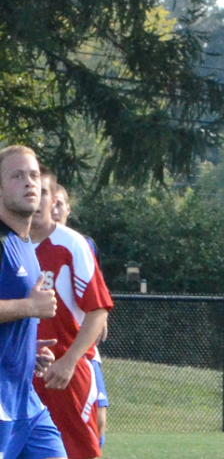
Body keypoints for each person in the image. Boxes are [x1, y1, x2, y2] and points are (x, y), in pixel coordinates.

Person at [30, 169, 113, 459]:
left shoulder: (71, 244)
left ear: (54, 200)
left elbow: (98, 308)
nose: (35, 199)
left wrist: (69, 360)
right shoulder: (9, 245)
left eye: (42, 192)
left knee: (76, 449)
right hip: (15, 373)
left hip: (63, 376)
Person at [0, 145, 65, 459]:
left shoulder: (24, 242)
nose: (30, 183)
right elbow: (27, 304)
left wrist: (27, 350)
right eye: (17, 176)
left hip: (26, 402)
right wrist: (30, 308)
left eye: (34, 175)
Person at [50, 185, 109, 448]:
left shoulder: (80, 244)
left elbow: (95, 293)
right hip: (45, 351)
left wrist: (100, 317)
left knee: (97, 416)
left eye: (59, 203)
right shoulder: (22, 242)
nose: (54, 209)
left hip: (82, 350)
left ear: (68, 208)